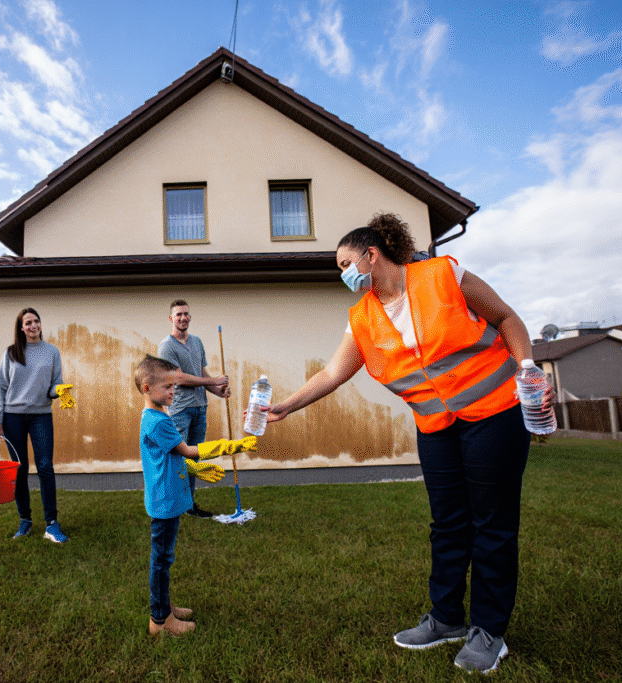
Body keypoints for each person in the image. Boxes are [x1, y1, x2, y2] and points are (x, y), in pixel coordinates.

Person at [265, 213, 553, 674]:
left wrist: (527, 368)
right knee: (448, 523)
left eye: (345, 264)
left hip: (495, 412)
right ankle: (446, 618)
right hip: (436, 426)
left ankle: (489, 631)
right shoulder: (362, 317)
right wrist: (286, 406)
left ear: (371, 255)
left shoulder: (443, 275)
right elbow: (333, 372)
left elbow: (505, 317)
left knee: (492, 524)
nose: (343, 275)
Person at [135, 354, 256, 636]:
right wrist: (227, 446)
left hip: (164, 497)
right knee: (161, 561)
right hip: (165, 501)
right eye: (167, 387)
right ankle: (160, 620)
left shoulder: (155, 416)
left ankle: (164, 607)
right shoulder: (158, 421)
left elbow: (169, 457)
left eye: (174, 386)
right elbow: (187, 450)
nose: (173, 391)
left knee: (164, 558)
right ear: (147, 389)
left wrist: (194, 469)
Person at [0, 308, 75, 544]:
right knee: (20, 469)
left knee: (45, 467)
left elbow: (54, 384)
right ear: (21, 327)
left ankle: (52, 524)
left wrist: (60, 391)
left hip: (41, 416)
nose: (33, 325)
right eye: (28, 322)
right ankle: (25, 520)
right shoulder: (11, 353)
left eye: (36, 321)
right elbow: (0, 388)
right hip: (13, 416)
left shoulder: (52, 352)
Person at [157, 299, 230, 518]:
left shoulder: (197, 342)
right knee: (178, 459)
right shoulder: (166, 346)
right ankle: (172, 504)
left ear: (190, 317)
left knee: (193, 460)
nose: (183, 318)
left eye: (186, 314)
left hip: (200, 408)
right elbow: (178, 378)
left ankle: (188, 505)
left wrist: (218, 391)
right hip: (180, 411)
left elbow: (202, 374)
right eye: (178, 314)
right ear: (171, 318)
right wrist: (214, 381)